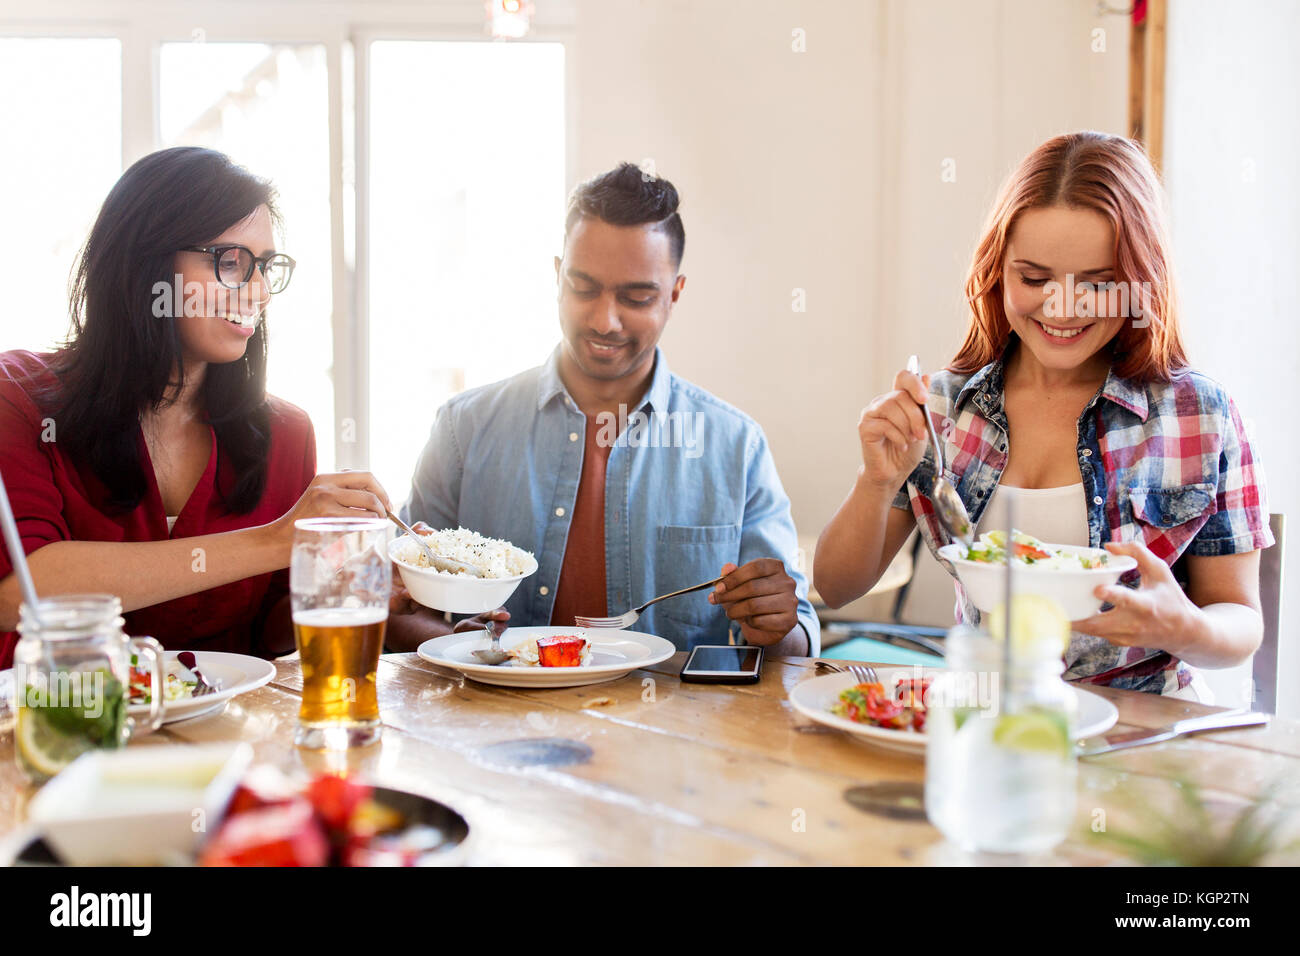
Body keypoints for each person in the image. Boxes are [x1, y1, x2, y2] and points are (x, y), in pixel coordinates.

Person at [814, 131, 1272, 699]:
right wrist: (876, 480)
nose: (1062, 306)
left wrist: (1185, 626)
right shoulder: (944, 409)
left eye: (1099, 284)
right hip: (988, 715)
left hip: (1145, 724)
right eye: (1034, 278)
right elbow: (835, 587)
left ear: (1139, 280)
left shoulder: (1200, 414)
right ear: (997, 270)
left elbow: (1240, 623)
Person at [389, 163, 818, 655]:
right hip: (495, 724)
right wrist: (453, 643)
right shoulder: (463, 430)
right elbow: (395, 612)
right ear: (557, 277)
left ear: (674, 295)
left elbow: (796, 643)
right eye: (584, 289)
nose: (604, 320)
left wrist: (777, 625)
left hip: (671, 728)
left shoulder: (734, 446)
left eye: (636, 297)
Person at [0, 147, 392, 669]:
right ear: (146, 265)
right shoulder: (19, 398)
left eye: (266, 267)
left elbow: (269, 631)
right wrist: (278, 541)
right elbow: (19, 591)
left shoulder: (285, 432)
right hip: (65, 731)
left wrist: (350, 582)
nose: (258, 290)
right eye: (231, 262)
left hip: (222, 742)